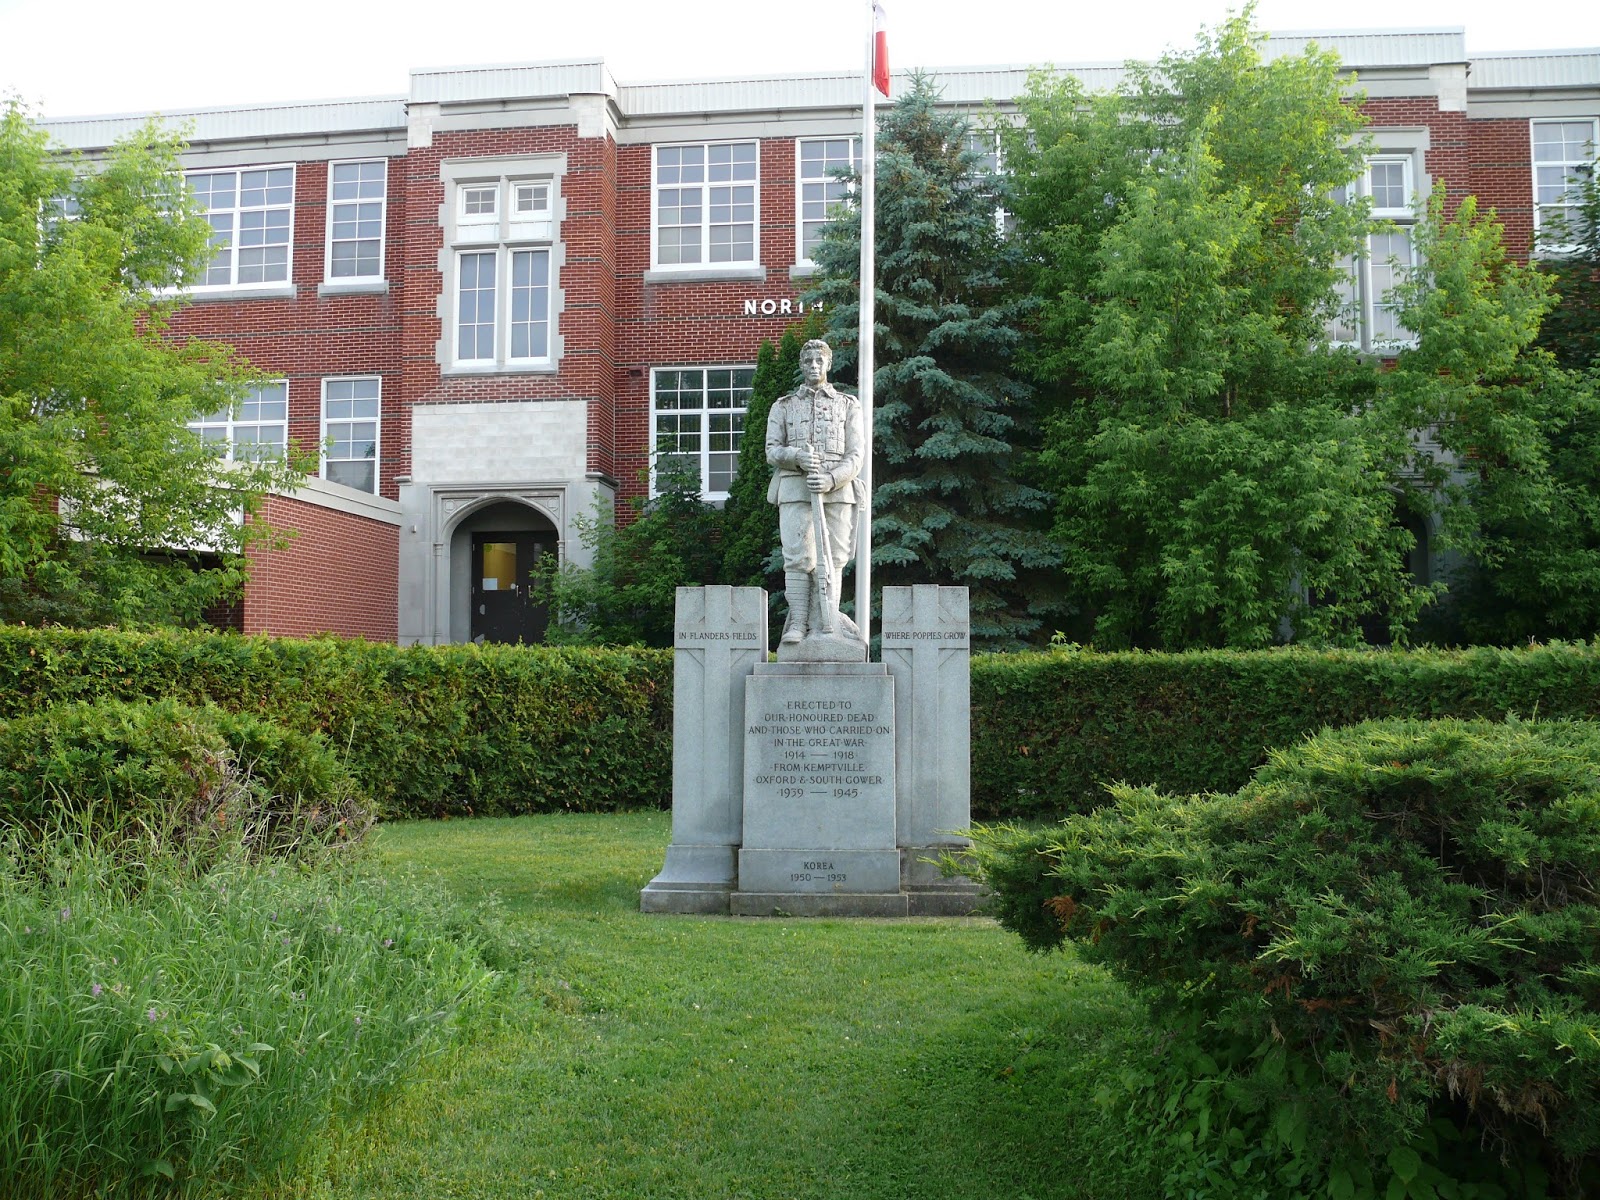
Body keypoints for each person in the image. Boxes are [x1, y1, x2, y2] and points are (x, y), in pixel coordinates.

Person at [765, 339, 864, 645]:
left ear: (828, 364)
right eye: (807, 361)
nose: (813, 366)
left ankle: (827, 622)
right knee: (797, 558)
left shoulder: (847, 404)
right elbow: (772, 450)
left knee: (833, 560)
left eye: (818, 361)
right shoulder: (784, 406)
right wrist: (796, 457)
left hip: (837, 492)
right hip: (795, 490)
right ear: (801, 364)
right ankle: (797, 622)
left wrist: (832, 479)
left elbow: (856, 455)